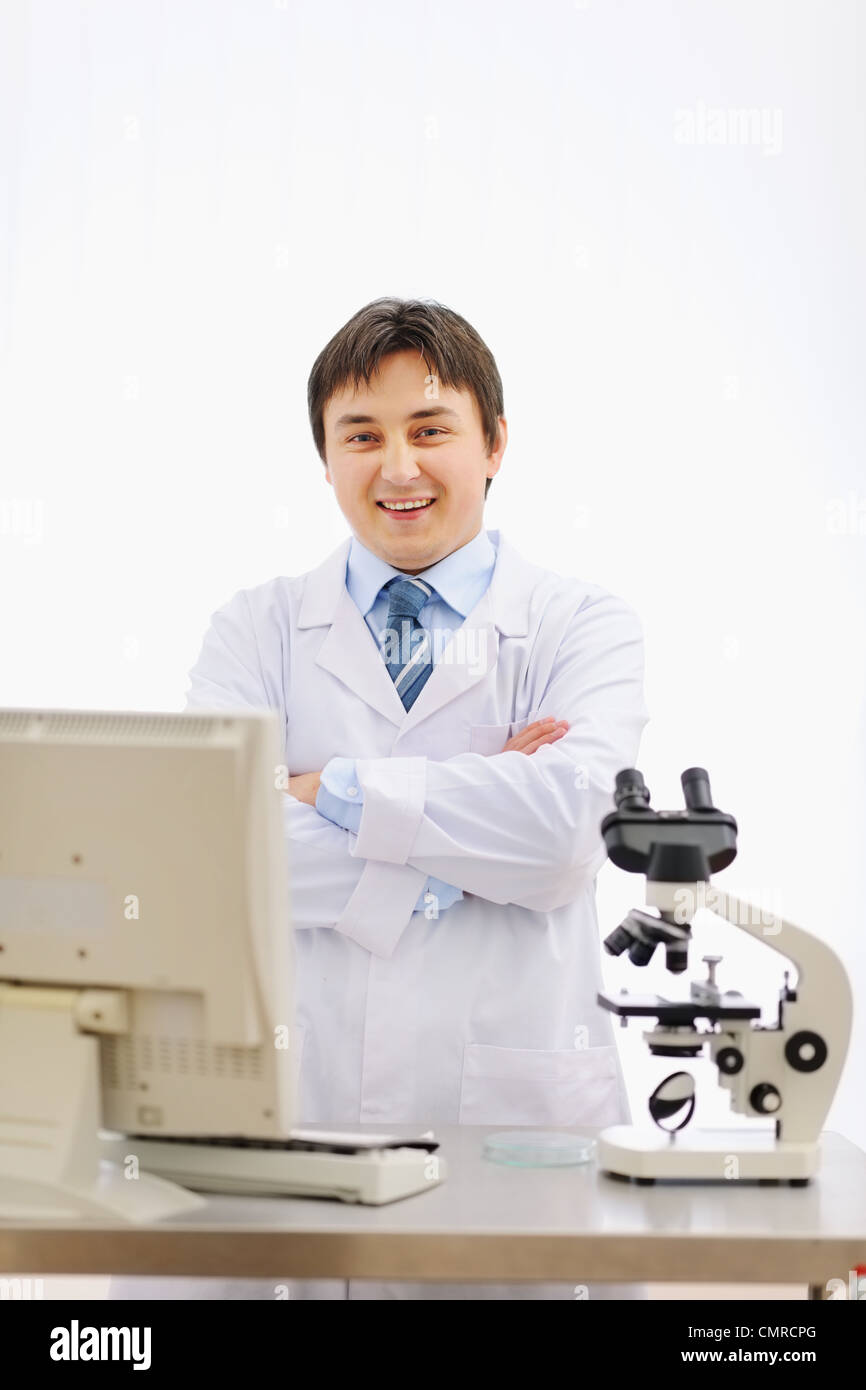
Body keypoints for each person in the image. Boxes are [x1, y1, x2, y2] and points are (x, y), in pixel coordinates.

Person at [111, 296, 649, 1300]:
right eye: (361, 436)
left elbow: (562, 835)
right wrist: (459, 858)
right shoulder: (255, 630)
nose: (398, 468)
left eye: (429, 430)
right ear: (325, 459)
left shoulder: (579, 626)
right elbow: (213, 854)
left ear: (494, 443)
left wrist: (324, 788)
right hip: (294, 1112)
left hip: (506, 1125)